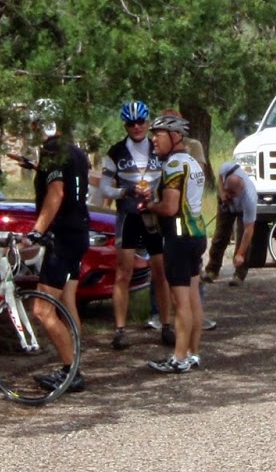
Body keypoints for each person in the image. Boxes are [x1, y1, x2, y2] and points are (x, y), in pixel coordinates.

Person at [26, 110, 90, 393]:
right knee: (68, 301)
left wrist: (37, 231)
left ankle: (70, 370)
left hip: (63, 238)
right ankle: (75, 363)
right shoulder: (75, 151)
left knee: (42, 309)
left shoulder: (52, 150)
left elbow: (56, 192)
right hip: (78, 233)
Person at [99, 100, 167, 349]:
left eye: (141, 122)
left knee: (160, 272)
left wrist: (157, 196)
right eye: (131, 123)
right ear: (125, 125)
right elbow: (105, 187)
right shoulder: (115, 152)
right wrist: (124, 192)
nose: (136, 127)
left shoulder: (159, 149)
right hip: (128, 216)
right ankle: (120, 330)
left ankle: (166, 324)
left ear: (148, 123)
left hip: (154, 216)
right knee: (123, 273)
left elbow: (169, 182)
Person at [145, 113, 208, 373]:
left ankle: (179, 358)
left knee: (180, 302)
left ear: (175, 136)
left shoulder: (172, 165)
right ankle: (193, 353)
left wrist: (149, 205)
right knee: (194, 299)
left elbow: (170, 207)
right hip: (197, 234)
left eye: (158, 134)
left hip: (179, 237)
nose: (153, 140)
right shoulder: (192, 163)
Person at [205, 161, 258, 285]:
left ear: (241, 188)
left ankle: (239, 274)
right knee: (220, 236)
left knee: (242, 240)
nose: (230, 195)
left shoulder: (249, 198)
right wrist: (223, 193)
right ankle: (212, 270)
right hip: (226, 205)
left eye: (233, 193)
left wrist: (240, 253)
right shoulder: (227, 169)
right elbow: (219, 177)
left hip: (241, 210)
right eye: (228, 190)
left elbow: (248, 230)